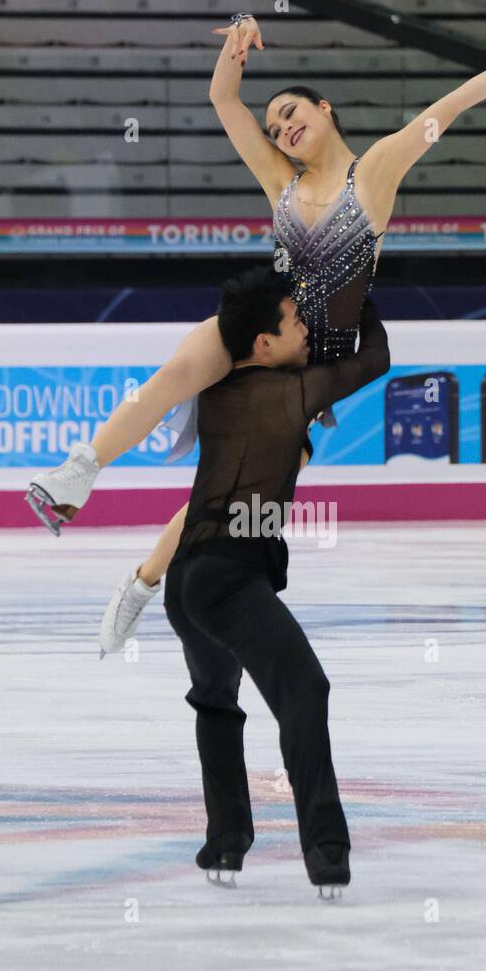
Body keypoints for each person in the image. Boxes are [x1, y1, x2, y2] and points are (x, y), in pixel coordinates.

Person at [27, 13, 486, 646]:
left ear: (325, 108)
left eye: (292, 113)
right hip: (261, 320)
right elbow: (223, 100)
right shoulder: (278, 181)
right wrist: (239, 39)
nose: (283, 128)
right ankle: (78, 470)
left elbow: (439, 114)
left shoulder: (374, 172)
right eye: (276, 126)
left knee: (225, 494)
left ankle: (141, 584)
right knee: (176, 372)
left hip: (309, 365)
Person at [162, 266, 389, 896]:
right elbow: (377, 358)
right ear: (263, 343)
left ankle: (226, 843)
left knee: (215, 700)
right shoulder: (294, 392)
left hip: (186, 583)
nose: (308, 327)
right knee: (305, 691)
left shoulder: (217, 391)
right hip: (230, 579)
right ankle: (326, 851)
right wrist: (355, 292)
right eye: (296, 321)